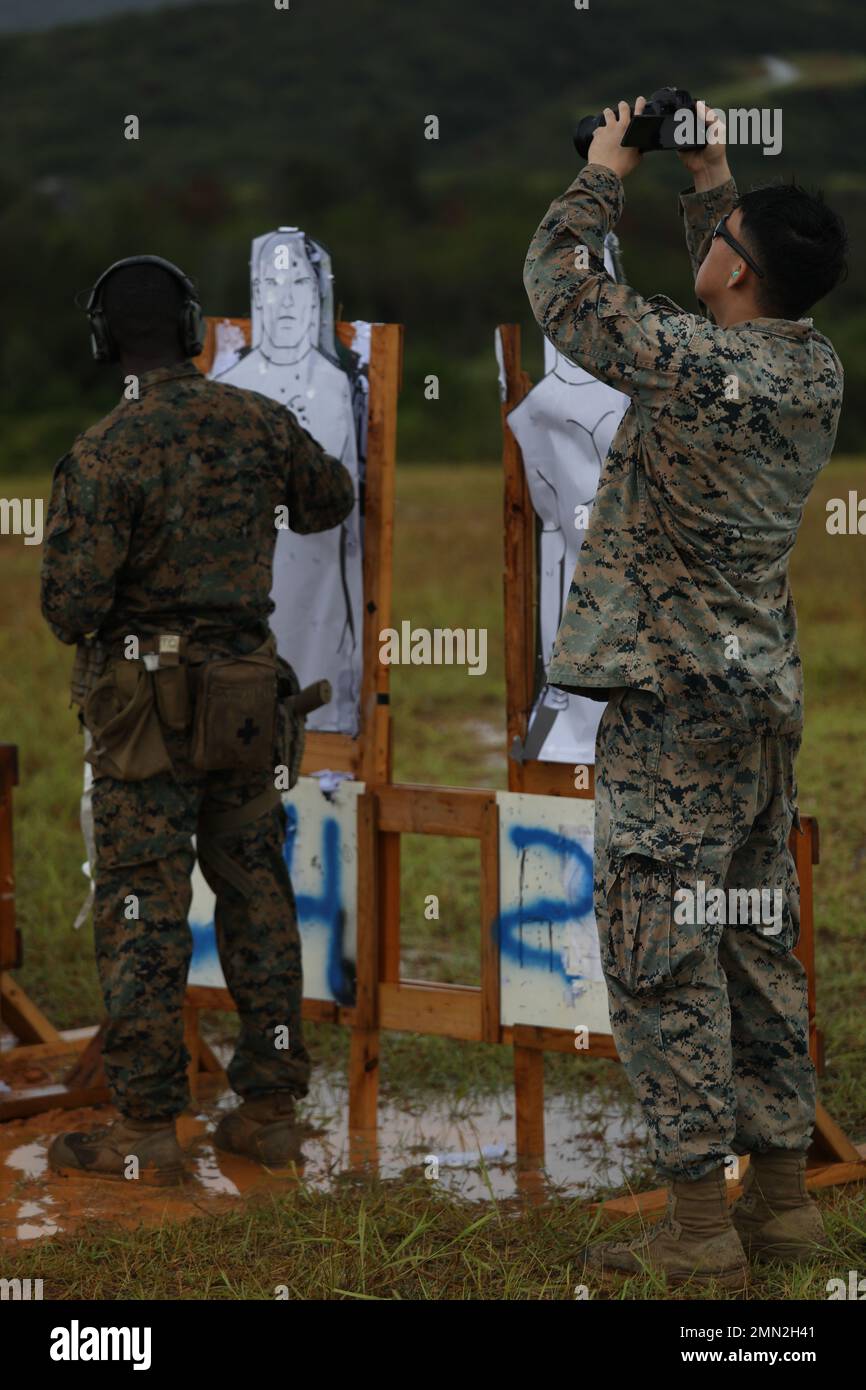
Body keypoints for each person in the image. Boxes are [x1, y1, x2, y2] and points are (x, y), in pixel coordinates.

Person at [524, 99, 846, 1288]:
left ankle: (698, 1233)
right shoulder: (805, 364)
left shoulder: (695, 361)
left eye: (717, 239)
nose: (704, 253)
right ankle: (777, 1203)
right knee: (754, 938)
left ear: (731, 271)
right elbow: (732, 287)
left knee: (663, 951)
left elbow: (561, 292)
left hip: (667, 705)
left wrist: (605, 172)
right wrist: (712, 175)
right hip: (754, 695)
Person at [41, 256, 355, 1183]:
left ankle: (145, 1131)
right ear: (189, 330)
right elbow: (330, 498)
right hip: (247, 703)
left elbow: (70, 609)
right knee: (257, 893)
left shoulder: (104, 450)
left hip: (145, 715)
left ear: (107, 341)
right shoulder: (257, 420)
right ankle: (268, 1109)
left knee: (143, 910)